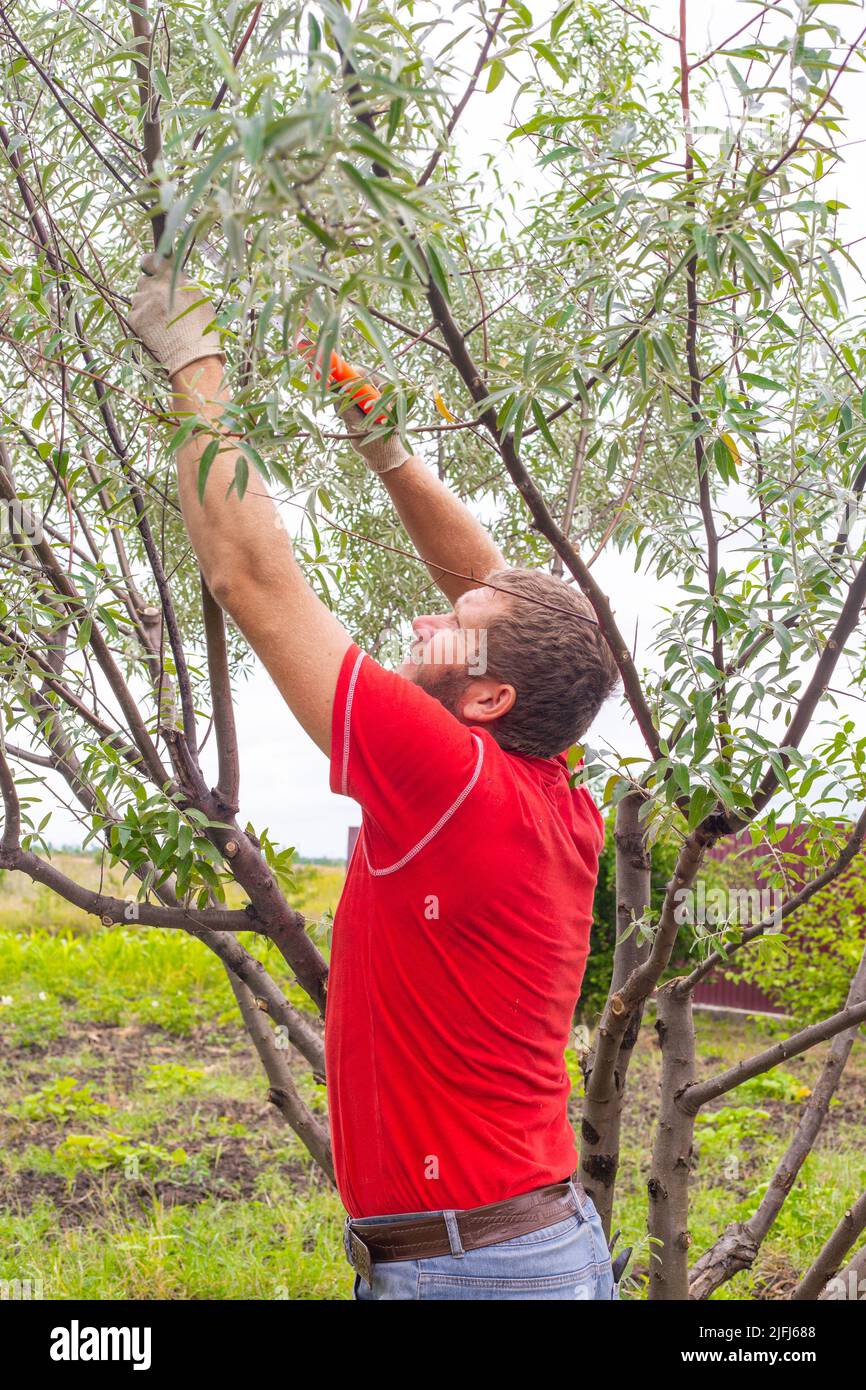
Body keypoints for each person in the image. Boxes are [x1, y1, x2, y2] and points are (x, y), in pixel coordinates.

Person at [129, 252, 621, 1300]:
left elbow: (249, 577)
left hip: (474, 1273)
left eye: (451, 631)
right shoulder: (544, 773)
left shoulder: (444, 775)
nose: (427, 616)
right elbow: (498, 598)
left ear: (486, 698)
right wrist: (382, 440)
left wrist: (193, 358)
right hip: (521, 1252)